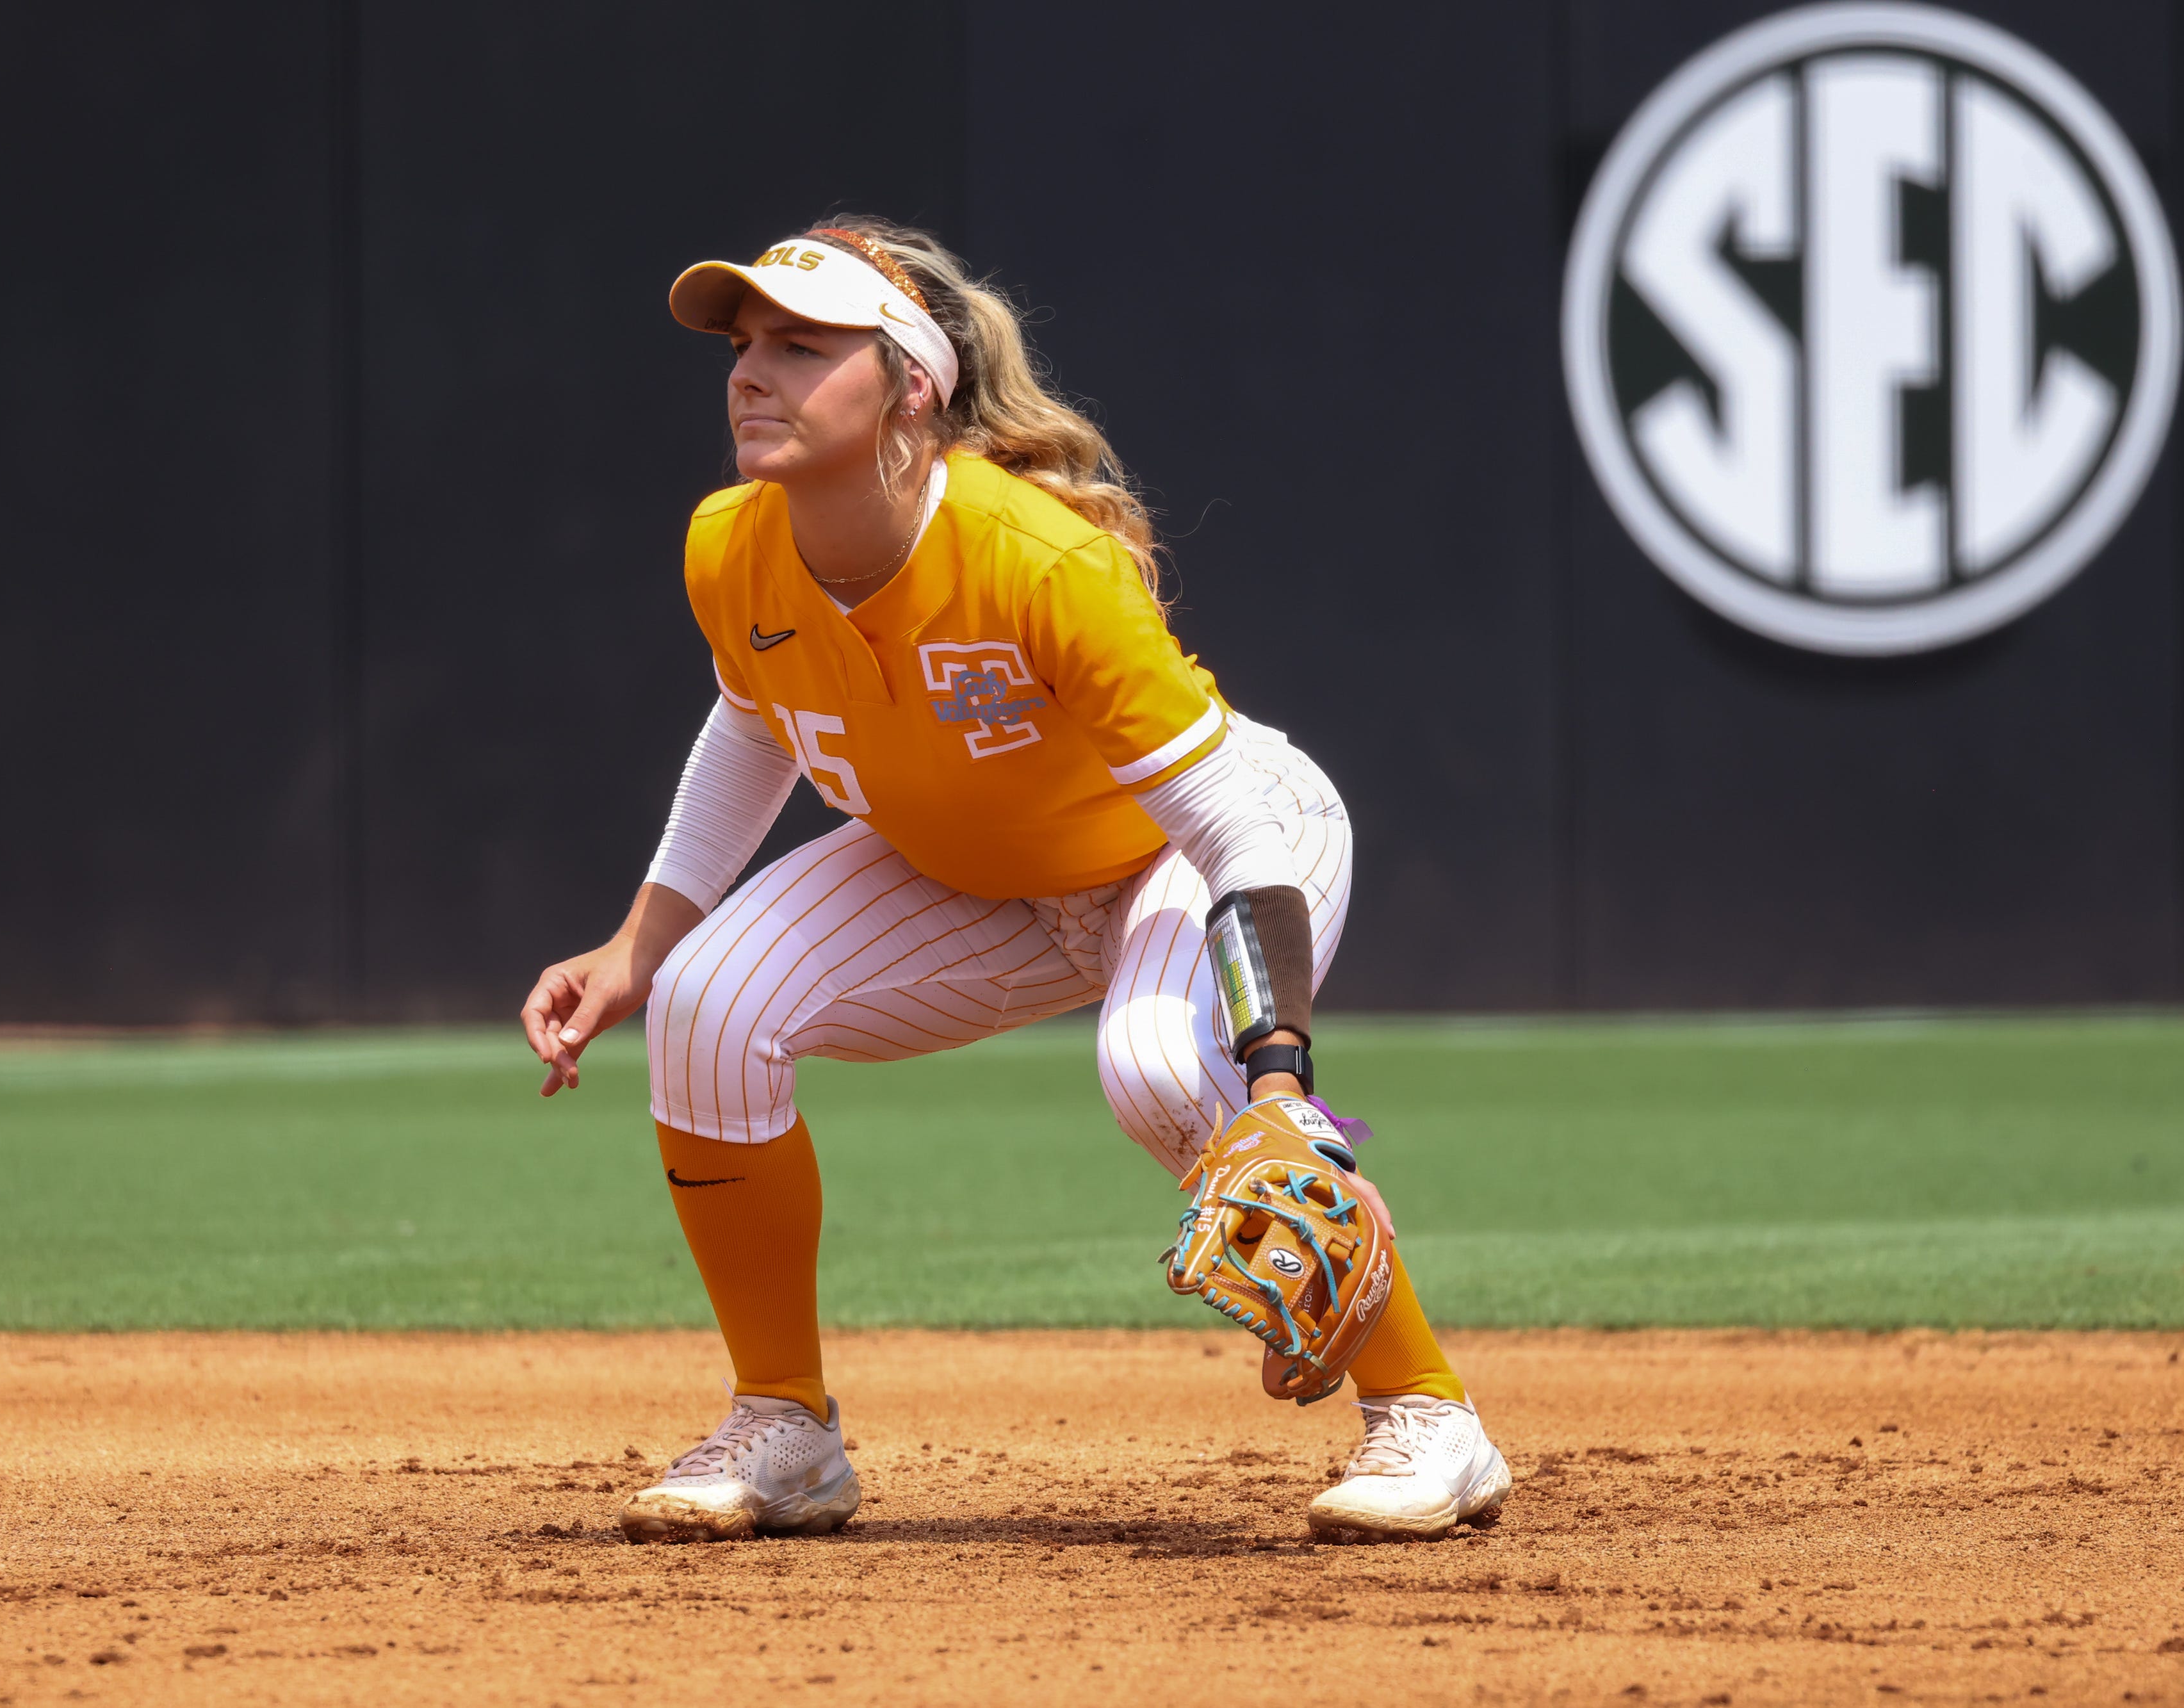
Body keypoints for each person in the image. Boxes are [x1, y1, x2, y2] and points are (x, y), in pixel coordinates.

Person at [519, 218, 1510, 1544]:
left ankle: (1429, 1416)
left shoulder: (1033, 555)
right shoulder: (730, 546)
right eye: (744, 345)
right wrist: (639, 941)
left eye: (801, 346)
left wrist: (1276, 1076)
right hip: (986, 874)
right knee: (705, 1004)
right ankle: (783, 1426)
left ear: (909, 385)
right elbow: (754, 718)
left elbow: (1231, 831)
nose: (751, 373)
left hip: (1201, 845)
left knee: (1162, 1065)